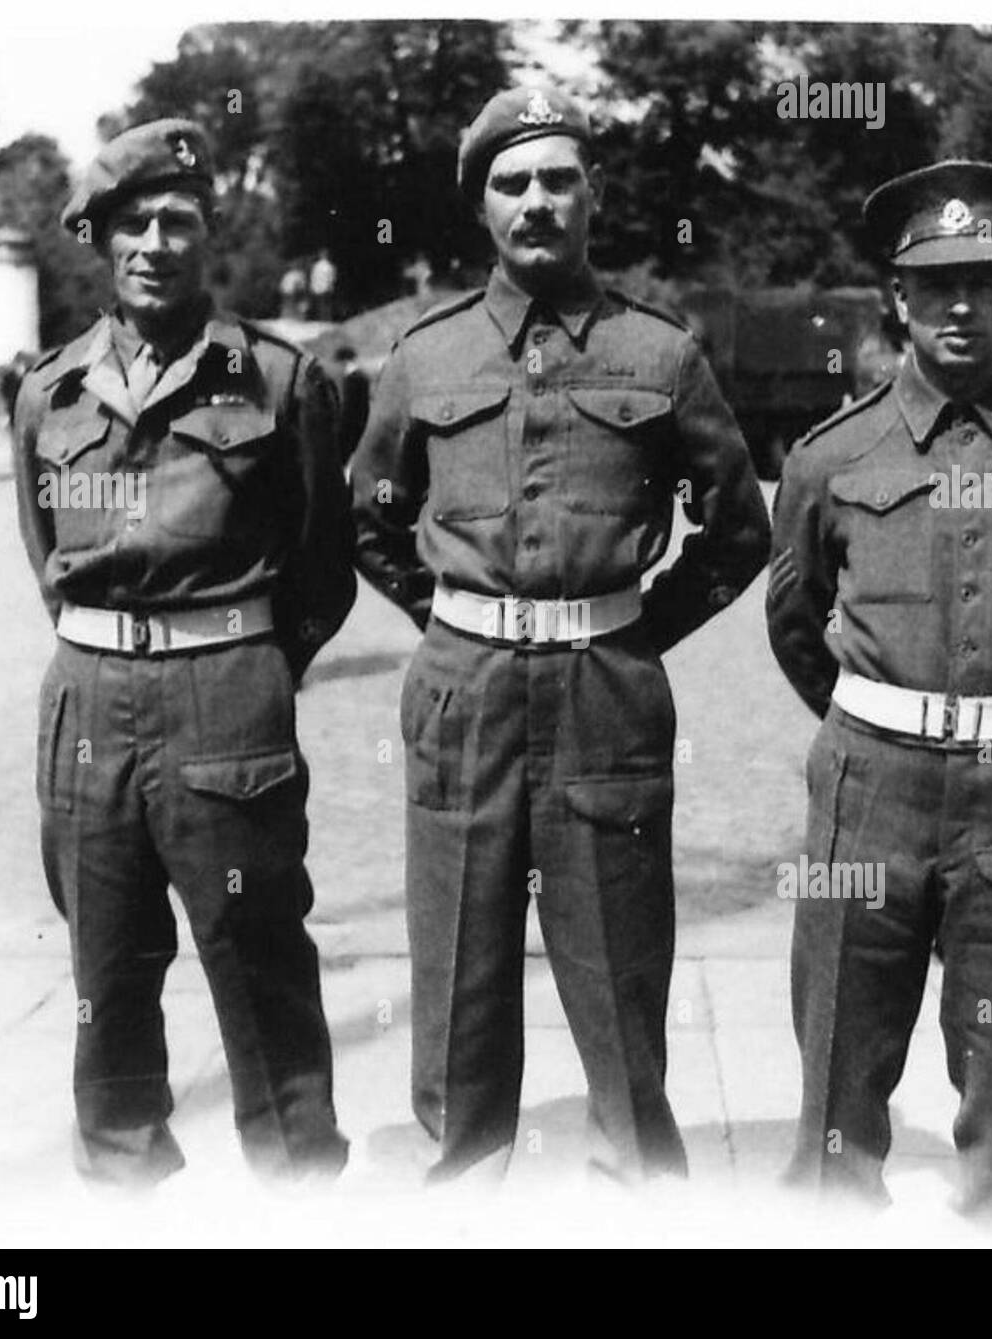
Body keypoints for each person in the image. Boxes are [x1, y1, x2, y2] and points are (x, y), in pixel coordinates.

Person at [350, 86, 769, 1183]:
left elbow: (736, 533)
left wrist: (626, 630)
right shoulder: (424, 358)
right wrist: (455, 622)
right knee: (456, 970)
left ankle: (634, 1190)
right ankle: (464, 1182)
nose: (535, 202)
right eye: (510, 182)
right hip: (465, 693)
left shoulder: (660, 354)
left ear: (593, 195)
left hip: (605, 692)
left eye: (557, 178)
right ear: (480, 207)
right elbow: (367, 516)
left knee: (620, 964)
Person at [766, 160, 992, 1233]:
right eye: (937, 284)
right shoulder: (830, 459)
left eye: (985, 280)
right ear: (898, 299)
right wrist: (881, 724)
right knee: (838, 1065)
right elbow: (796, 627)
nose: (961, 305)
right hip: (867, 790)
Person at [12, 118, 355, 1187]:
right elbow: (44, 553)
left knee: (260, 970)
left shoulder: (279, 381)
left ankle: (297, 1188)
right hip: (87, 704)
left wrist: (245, 668)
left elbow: (322, 568)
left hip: (227, 700)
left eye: (179, 221)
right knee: (105, 975)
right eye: (134, 224)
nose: (156, 242)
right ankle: (123, 1186)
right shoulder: (48, 394)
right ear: (101, 241)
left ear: (208, 236)